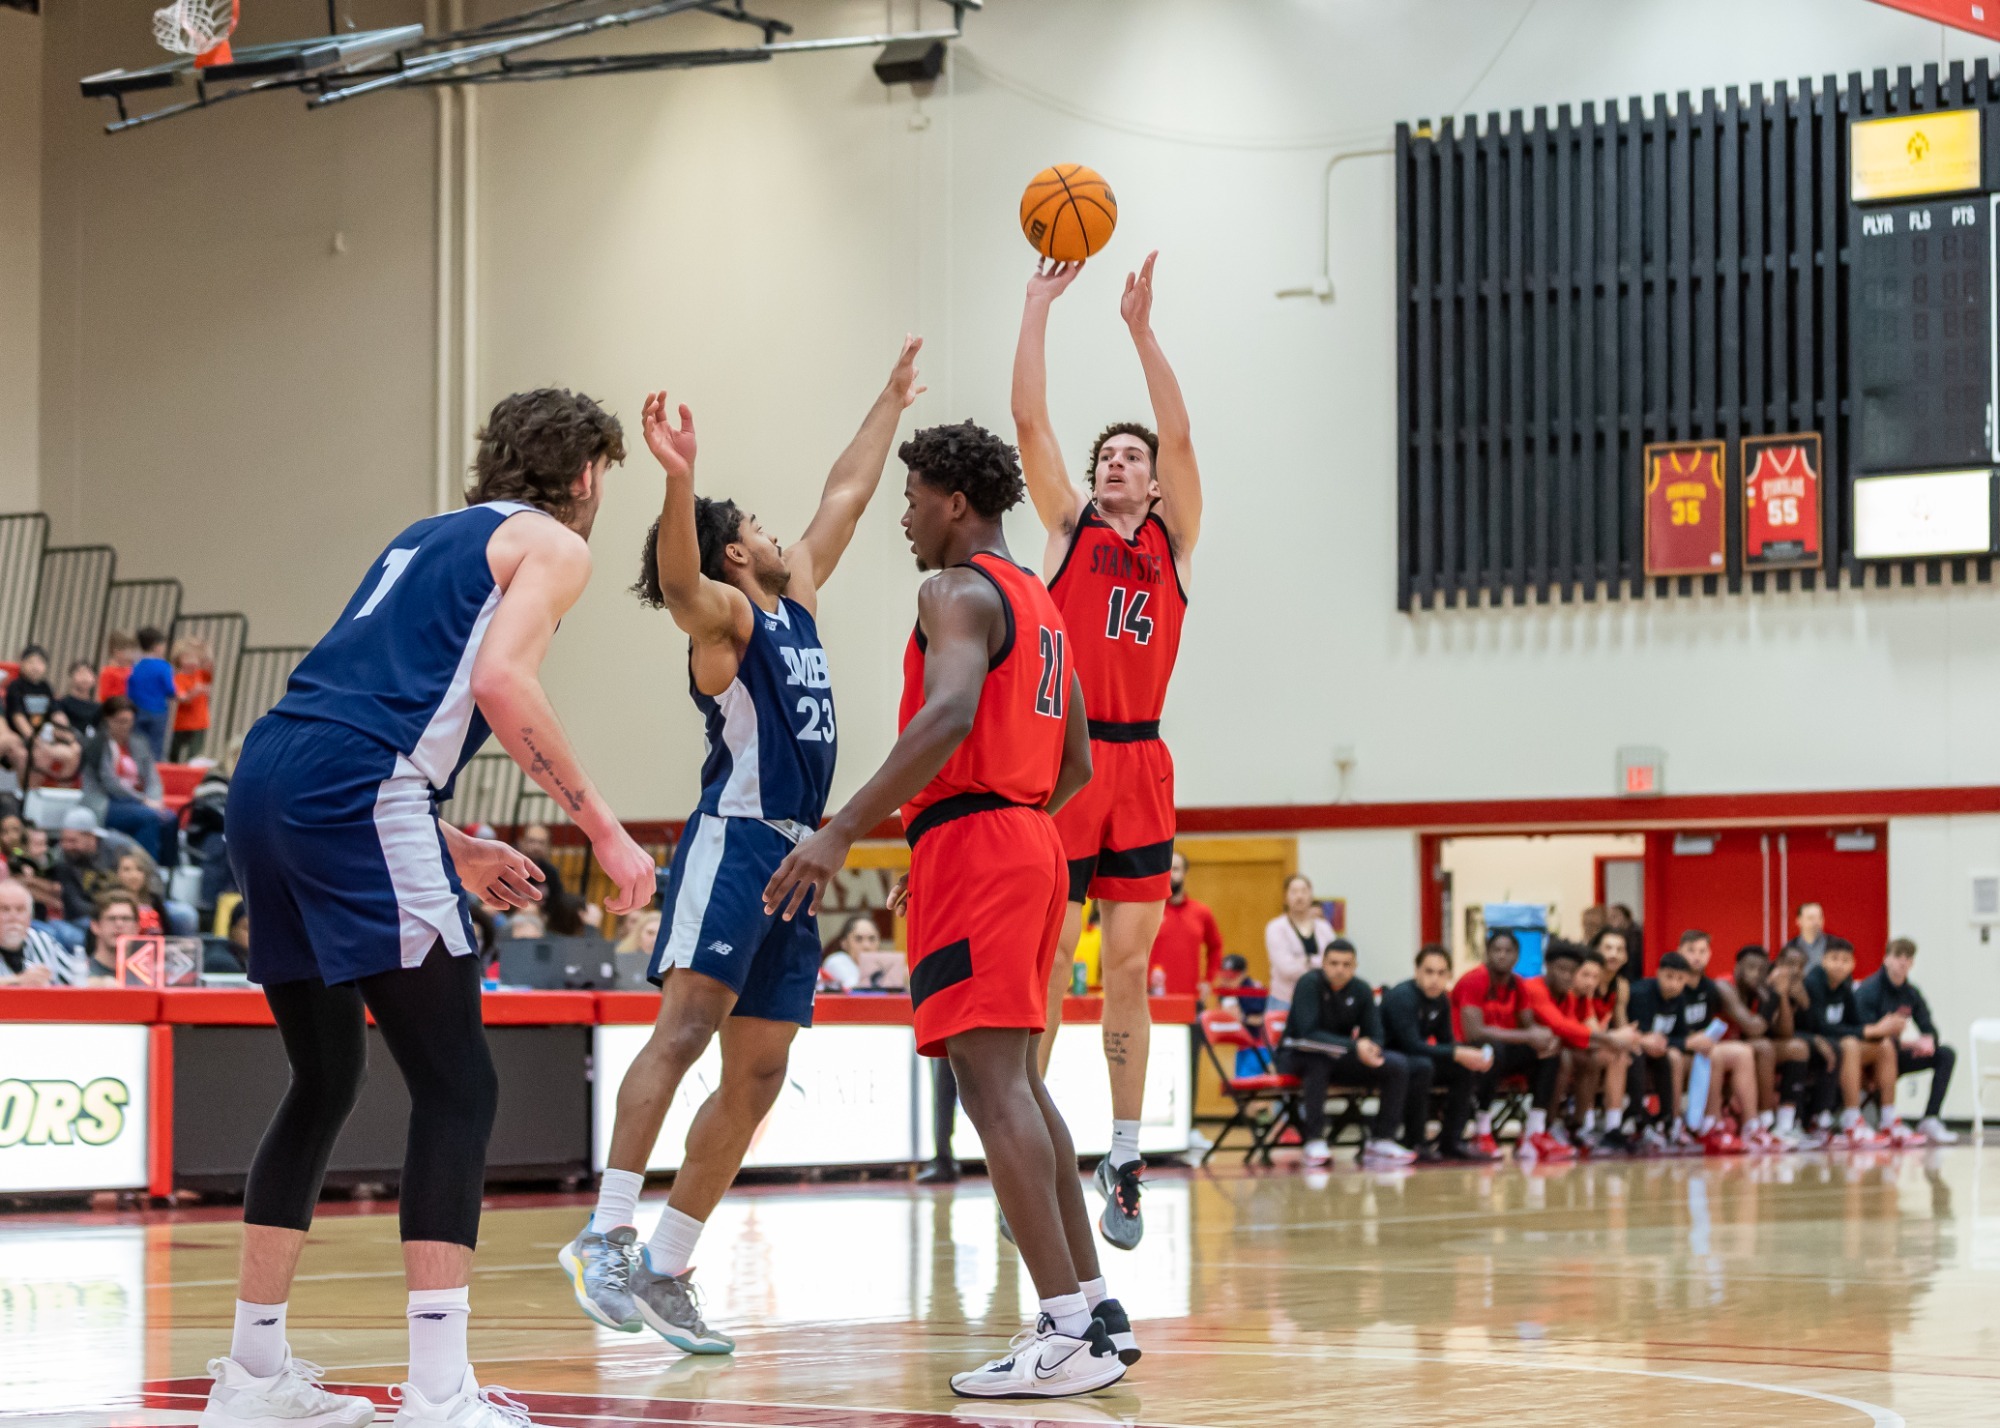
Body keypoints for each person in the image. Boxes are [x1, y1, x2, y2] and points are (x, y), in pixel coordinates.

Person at [195, 384, 654, 1428]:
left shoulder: (425, 533)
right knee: (457, 1086)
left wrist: (450, 841)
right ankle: (441, 1394)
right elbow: (500, 681)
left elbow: (348, 715)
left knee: (327, 1072)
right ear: (584, 477)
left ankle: (253, 1376)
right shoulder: (554, 544)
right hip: (358, 788)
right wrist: (603, 827)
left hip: (268, 777)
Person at [567, 339, 922, 1357]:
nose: (780, 535)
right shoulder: (724, 619)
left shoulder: (797, 606)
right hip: (731, 847)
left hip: (796, 866)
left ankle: (669, 1266)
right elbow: (675, 579)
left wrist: (886, 401)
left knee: (759, 1072)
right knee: (682, 1035)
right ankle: (605, 1233)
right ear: (735, 554)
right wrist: (680, 480)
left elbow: (847, 495)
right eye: (759, 528)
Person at [760, 418, 1129, 1398]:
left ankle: (1062, 1331)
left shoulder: (952, 589)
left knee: (990, 1084)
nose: (906, 516)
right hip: (1030, 842)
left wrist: (845, 829)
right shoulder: (1041, 606)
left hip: (983, 844)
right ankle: (1091, 1307)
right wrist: (999, 823)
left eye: (914, 496)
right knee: (1018, 1081)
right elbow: (1079, 763)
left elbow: (949, 712)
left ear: (954, 503)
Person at [1016, 251, 1203, 1254]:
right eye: (1110, 458)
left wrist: (1140, 333)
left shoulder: (1171, 544)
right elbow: (1031, 427)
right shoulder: (1068, 527)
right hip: (1067, 764)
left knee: (1126, 970)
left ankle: (1122, 1157)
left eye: (1130, 458)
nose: (1119, 463)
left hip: (1143, 767)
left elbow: (1177, 431)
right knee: (1046, 966)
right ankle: (1033, 1143)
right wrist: (1037, 305)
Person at [1281, 938, 1429, 1166]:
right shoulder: (1308, 984)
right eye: (1334, 963)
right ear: (1323, 963)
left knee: (1396, 1064)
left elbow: (1376, 1032)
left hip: (1340, 1056)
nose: (1340, 969)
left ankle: (1382, 1139)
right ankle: (1314, 1140)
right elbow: (1307, 1033)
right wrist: (1354, 1046)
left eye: (1346, 964)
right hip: (1297, 1054)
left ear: (1355, 966)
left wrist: (1372, 1048)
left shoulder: (1360, 989)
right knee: (1318, 1061)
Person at [1450, 929, 1567, 1160]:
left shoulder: (1518, 984)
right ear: (1487, 953)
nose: (1502, 955)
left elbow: (1528, 1025)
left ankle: (1535, 1131)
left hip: (1500, 1056)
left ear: (1517, 956)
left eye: (1508, 950)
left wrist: (1544, 1037)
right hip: (1466, 1055)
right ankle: (1482, 1131)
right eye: (1496, 950)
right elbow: (1474, 1032)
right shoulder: (1474, 979)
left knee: (1548, 1052)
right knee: (1494, 1049)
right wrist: (1528, 1037)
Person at [1519, 942, 1640, 1151]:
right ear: (1547, 966)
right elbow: (1560, 1025)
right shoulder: (1533, 988)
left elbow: (1575, 1033)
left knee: (1598, 1057)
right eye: (1562, 969)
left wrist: (1613, 1042)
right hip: (1518, 1053)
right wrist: (1610, 1038)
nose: (1567, 976)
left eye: (1571, 971)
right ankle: (1545, 1126)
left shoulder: (1572, 997)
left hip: (1545, 1053)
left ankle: (1581, 1126)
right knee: (1563, 1056)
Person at [1381, 944, 1495, 1160]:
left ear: (1449, 975)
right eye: (1429, 972)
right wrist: (1458, 1053)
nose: (1435, 979)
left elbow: (1446, 1042)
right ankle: (1415, 1141)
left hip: (1417, 1057)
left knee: (1462, 1069)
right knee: (1423, 1066)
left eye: (1441, 973)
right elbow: (1411, 1044)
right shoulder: (1402, 997)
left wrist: (1469, 1057)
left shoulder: (1441, 1000)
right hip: (1391, 1058)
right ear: (1417, 972)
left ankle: (1451, 1141)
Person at [1803, 937, 1914, 1146]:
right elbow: (1820, 1026)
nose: (1840, 964)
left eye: (1845, 960)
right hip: (1813, 1042)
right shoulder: (1814, 982)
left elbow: (1855, 1023)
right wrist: (1870, 1029)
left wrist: (1881, 1030)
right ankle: (1851, 1119)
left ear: (1853, 963)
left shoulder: (1845, 985)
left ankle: (1888, 1118)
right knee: (1851, 1044)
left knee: (1884, 1046)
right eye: (1834, 959)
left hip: (1837, 1045)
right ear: (1823, 960)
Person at [1856, 937, 1958, 1144]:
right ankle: (1886, 1119)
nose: (1902, 962)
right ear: (1886, 959)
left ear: (1912, 962)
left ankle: (1930, 1118)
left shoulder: (1911, 993)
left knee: (1945, 1053)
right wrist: (1898, 1039)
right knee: (1888, 1046)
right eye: (1897, 956)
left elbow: (1928, 1025)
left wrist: (1929, 1041)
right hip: (1874, 1056)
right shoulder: (1869, 990)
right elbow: (1861, 1031)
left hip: (1899, 1054)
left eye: (1907, 958)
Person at [1673, 929, 1758, 1152]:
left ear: (1710, 954)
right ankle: (1711, 1126)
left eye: (1702, 951)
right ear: (1679, 952)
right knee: (1715, 1054)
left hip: (1701, 1049)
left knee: (1743, 1051)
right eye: (1690, 950)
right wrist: (1688, 1040)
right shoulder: (1672, 985)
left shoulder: (1711, 988)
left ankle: (1752, 1126)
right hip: (1676, 1048)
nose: (1696, 956)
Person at [81, 696, 180, 866]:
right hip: (106, 802)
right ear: (108, 720)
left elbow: (152, 777)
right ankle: (146, 868)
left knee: (170, 818)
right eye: (120, 721)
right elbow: (110, 783)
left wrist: (155, 800)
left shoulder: (138, 743)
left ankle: (168, 871)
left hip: (138, 802)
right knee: (148, 818)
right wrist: (144, 801)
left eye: (129, 721)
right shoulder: (97, 745)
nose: (126, 726)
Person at [1626, 951, 1698, 1150]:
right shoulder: (1641, 994)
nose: (1674, 984)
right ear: (1658, 973)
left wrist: (1679, 1043)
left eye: (1680, 979)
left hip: (1657, 1050)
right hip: (1632, 1046)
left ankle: (1668, 1121)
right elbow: (1639, 1034)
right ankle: (1638, 1119)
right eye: (1669, 977)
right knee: (1640, 1056)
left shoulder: (1680, 999)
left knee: (1669, 1057)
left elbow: (1680, 1035)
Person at [1150, 850, 1223, 1000]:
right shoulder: (1150, 911)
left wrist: (1208, 981)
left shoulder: (1201, 912)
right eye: (1166, 869)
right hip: (1154, 997)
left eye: (1175, 869)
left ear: (1184, 873)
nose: (1170, 874)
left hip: (1190, 998)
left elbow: (1216, 947)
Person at [1265, 873, 1333, 1012]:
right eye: (1294, 892)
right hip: (1285, 1001)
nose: (1299, 896)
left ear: (1311, 895)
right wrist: (1318, 962)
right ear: (1285, 897)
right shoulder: (1275, 928)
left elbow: (1333, 962)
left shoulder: (1324, 927)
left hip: (1320, 998)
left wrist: (1305, 960)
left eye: (1304, 891)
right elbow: (1287, 969)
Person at [0, 875, 84, 985]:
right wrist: (18, 981)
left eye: (20, 910)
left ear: (30, 917)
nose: (13, 917)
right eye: (4, 909)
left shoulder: (43, 941)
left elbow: (77, 979)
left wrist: (104, 981)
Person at [124, 627, 178, 760]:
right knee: (156, 745)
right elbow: (170, 690)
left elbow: (130, 687)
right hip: (158, 711)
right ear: (156, 646)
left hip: (137, 709)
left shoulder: (135, 665)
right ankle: (154, 770)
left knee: (136, 742)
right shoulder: (164, 666)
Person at [170, 636, 215, 762]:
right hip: (181, 724)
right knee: (174, 755)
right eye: (187, 657)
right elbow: (182, 698)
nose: (191, 661)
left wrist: (205, 647)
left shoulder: (201, 675)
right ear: (179, 659)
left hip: (200, 723)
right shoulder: (178, 678)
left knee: (194, 757)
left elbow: (210, 664)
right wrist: (194, 692)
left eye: (194, 657)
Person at [84, 888, 144, 979]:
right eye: (111, 918)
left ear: (137, 927)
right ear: (95, 926)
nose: (119, 924)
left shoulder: (147, 978)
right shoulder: (80, 974)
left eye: (126, 918)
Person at [4, 643, 54, 747]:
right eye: (31, 662)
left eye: (40, 663)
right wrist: (35, 740)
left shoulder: (46, 687)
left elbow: (54, 713)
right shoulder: (15, 686)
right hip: (22, 736)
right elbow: (17, 716)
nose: (35, 667)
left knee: (72, 751)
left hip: (43, 736)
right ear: (22, 663)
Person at [113, 850, 167, 934]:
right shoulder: (110, 900)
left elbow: (167, 933)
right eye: (127, 869)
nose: (134, 875)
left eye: (139, 869)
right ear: (117, 873)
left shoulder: (155, 900)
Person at [819, 914, 873, 992]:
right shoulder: (836, 961)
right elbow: (854, 989)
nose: (866, 946)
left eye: (872, 939)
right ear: (844, 943)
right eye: (858, 939)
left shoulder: (884, 965)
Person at [56, 659, 101, 736]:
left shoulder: (98, 708)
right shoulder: (62, 703)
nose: (85, 677)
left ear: (94, 679)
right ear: (71, 677)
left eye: (89, 673)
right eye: (80, 672)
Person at [1783, 900, 1828, 970]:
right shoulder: (1791, 947)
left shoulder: (1834, 945)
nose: (1816, 922)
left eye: (1819, 918)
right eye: (1811, 918)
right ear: (1799, 921)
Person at [97, 631, 137, 701]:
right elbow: (103, 697)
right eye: (129, 651)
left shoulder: (133, 669)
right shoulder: (108, 672)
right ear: (116, 651)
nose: (132, 654)